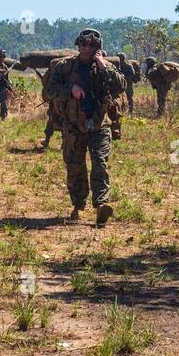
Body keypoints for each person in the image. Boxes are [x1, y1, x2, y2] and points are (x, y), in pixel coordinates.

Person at [44, 29, 125, 226]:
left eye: (92, 45)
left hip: (99, 124)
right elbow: (50, 90)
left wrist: (103, 67)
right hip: (73, 125)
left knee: (100, 164)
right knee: (75, 166)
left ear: (98, 48)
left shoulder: (105, 67)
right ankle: (78, 205)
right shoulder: (65, 66)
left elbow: (120, 87)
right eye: (83, 44)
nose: (87, 48)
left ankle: (101, 205)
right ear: (78, 45)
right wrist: (70, 89)